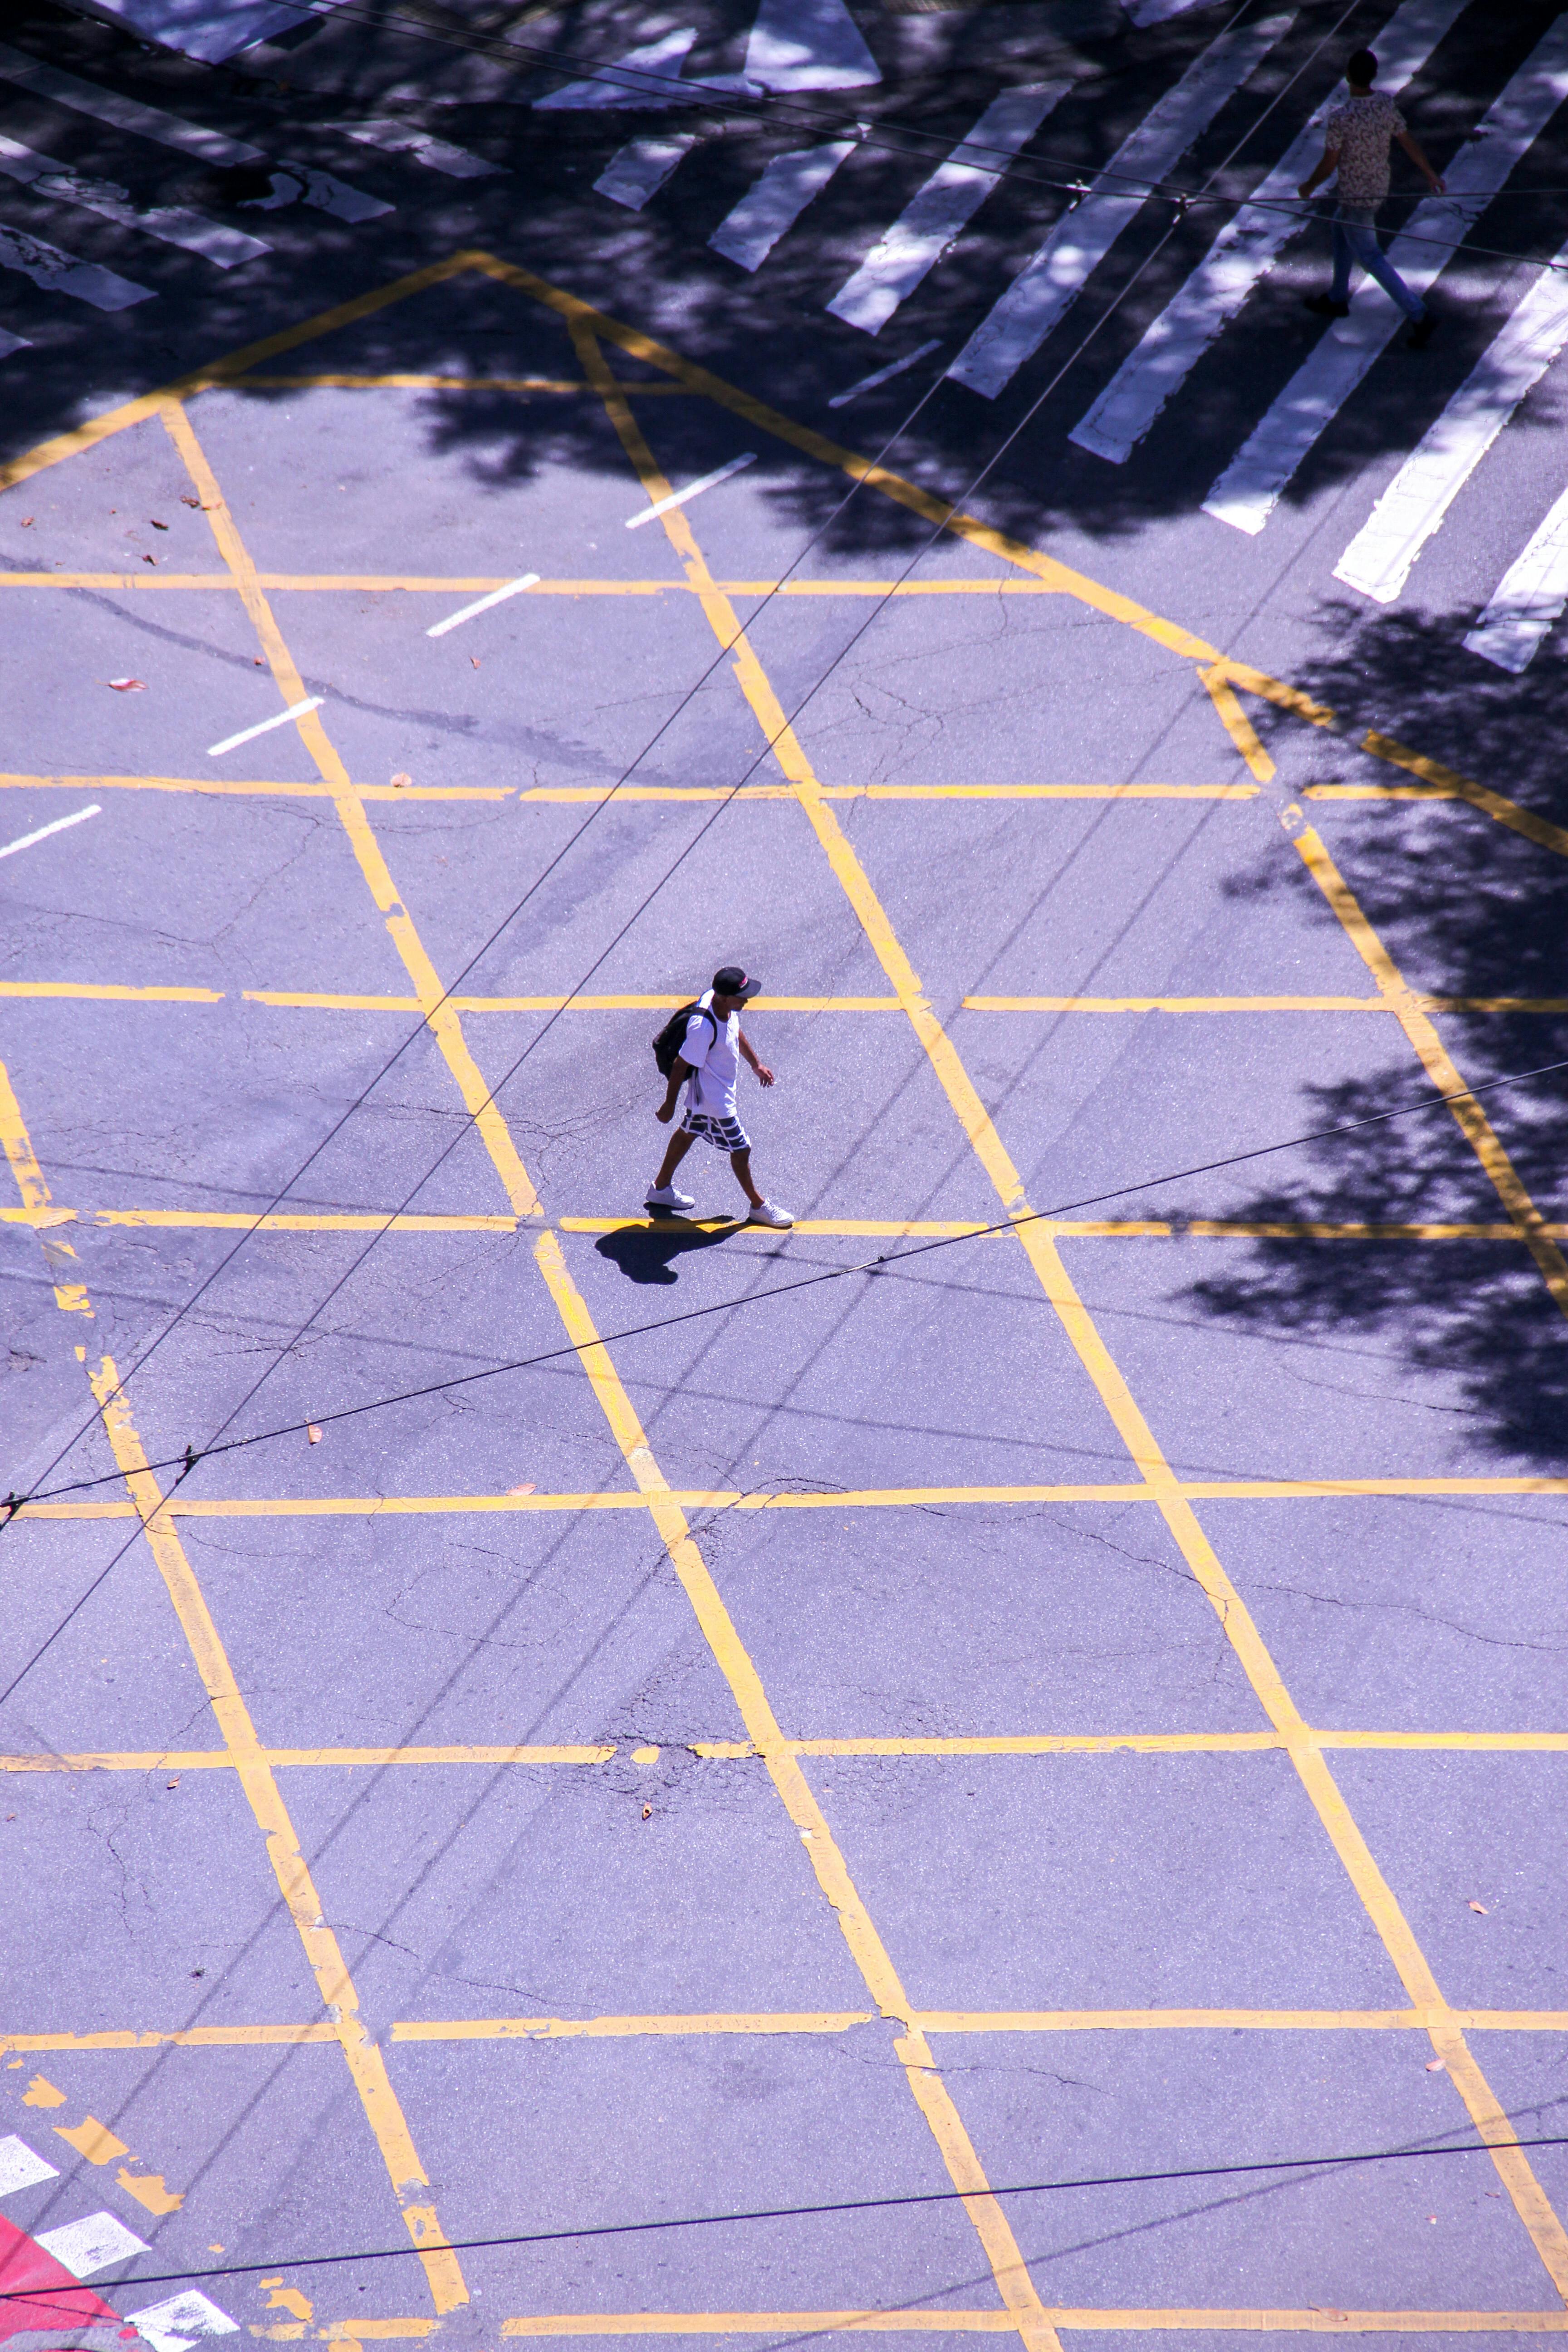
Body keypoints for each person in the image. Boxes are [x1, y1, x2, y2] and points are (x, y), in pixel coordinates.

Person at [1298, 47, 1445, 351]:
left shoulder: (1342, 119)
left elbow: (1329, 163)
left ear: (1349, 76)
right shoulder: (1385, 105)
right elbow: (1407, 142)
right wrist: (1430, 173)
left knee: (1371, 257)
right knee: (1339, 227)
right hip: (1378, 188)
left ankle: (1419, 315)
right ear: (1373, 76)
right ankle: (1337, 298)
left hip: (1356, 197)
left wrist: (1309, 186)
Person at [647, 966, 794, 1228]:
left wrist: (755, 1064)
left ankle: (660, 1189)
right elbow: (681, 1065)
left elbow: (735, 1031)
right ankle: (758, 1206)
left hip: (715, 1093)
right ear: (725, 997)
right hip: (715, 1101)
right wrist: (669, 1105)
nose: (746, 1000)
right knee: (741, 1148)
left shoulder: (723, 1006)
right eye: (742, 996)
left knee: (688, 1133)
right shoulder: (703, 1027)